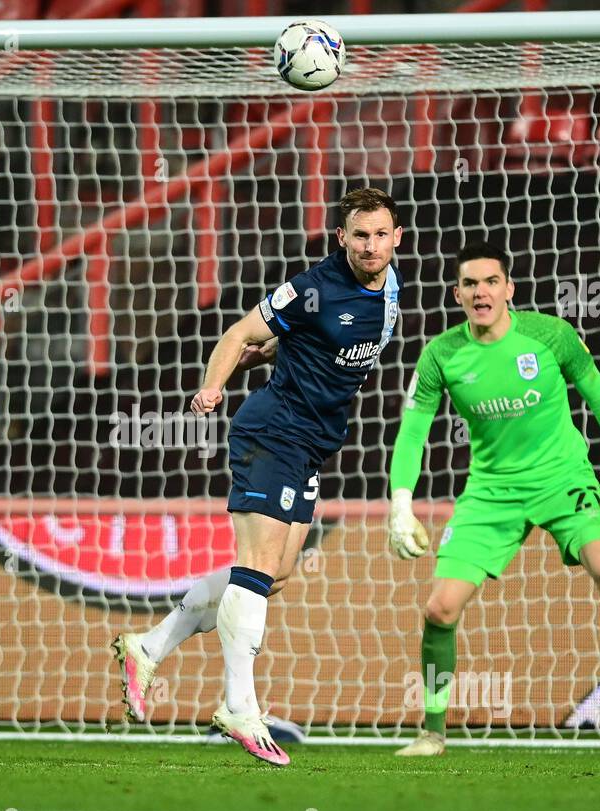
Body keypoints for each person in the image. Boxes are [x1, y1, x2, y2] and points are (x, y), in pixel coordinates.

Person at [114, 187, 405, 766]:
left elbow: (293, 347)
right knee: (255, 568)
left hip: (312, 445)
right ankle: (239, 706)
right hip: (273, 431)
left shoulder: (391, 286)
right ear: (341, 238)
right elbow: (242, 333)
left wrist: (270, 354)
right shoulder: (314, 287)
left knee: (276, 576)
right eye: (360, 235)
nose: (371, 246)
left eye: (381, 235)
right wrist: (213, 384)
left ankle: (147, 646)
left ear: (397, 239)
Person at [386, 239, 600, 755]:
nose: (482, 292)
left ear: (509, 289)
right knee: (439, 609)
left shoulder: (550, 335)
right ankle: (432, 732)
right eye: (471, 284)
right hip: (492, 492)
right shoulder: (442, 356)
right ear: (457, 294)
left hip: (562, 479)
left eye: (491, 282)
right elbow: (412, 433)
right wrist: (400, 503)